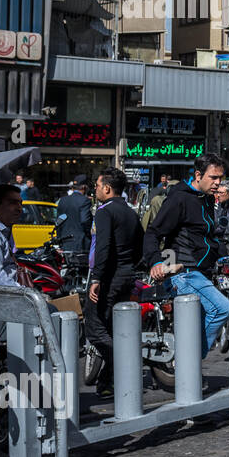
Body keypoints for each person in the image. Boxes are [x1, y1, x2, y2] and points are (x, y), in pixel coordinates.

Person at [143, 153, 229, 353]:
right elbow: (153, 232)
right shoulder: (180, 199)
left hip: (202, 272)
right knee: (222, 308)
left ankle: (188, 369)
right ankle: (190, 359)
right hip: (184, 272)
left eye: (221, 178)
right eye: (214, 178)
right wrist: (156, 262)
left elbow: (206, 235)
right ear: (199, 175)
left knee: (200, 323)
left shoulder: (207, 198)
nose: (218, 183)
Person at [84, 168, 143, 395]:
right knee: (111, 328)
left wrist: (97, 277)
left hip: (108, 276)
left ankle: (124, 366)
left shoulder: (105, 211)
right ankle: (106, 383)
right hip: (126, 275)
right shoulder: (130, 212)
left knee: (95, 330)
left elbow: (103, 246)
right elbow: (139, 246)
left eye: (98, 186)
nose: (96, 190)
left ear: (107, 188)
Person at [56, 175, 93, 256]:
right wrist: (88, 235)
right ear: (84, 187)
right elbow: (85, 221)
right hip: (80, 243)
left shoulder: (63, 200)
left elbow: (58, 222)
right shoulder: (85, 201)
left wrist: (59, 241)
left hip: (65, 242)